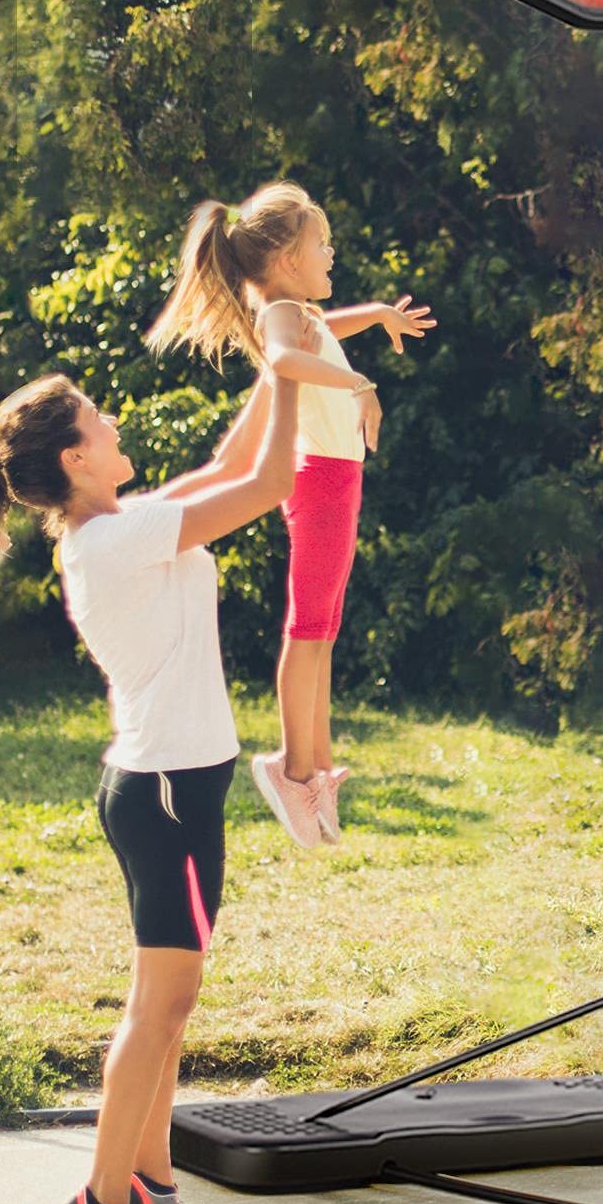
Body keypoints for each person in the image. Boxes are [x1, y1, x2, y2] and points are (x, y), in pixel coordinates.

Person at [0, 364, 300, 1204]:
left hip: (176, 788)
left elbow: (234, 458)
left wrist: (278, 362)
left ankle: (154, 1181)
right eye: (101, 417)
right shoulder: (113, 543)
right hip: (166, 793)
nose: (116, 418)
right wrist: (294, 375)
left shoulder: (121, 528)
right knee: (161, 1010)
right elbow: (268, 484)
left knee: (168, 1008)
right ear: (75, 455)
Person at [146, 181, 435, 849]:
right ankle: (291, 769)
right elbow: (283, 355)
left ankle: (320, 769)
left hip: (337, 482)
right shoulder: (281, 314)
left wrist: (379, 317)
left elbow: (323, 333)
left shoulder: (299, 312)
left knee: (322, 631)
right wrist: (361, 382)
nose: (331, 252)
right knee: (307, 630)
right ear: (284, 260)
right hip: (323, 482)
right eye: (320, 244)